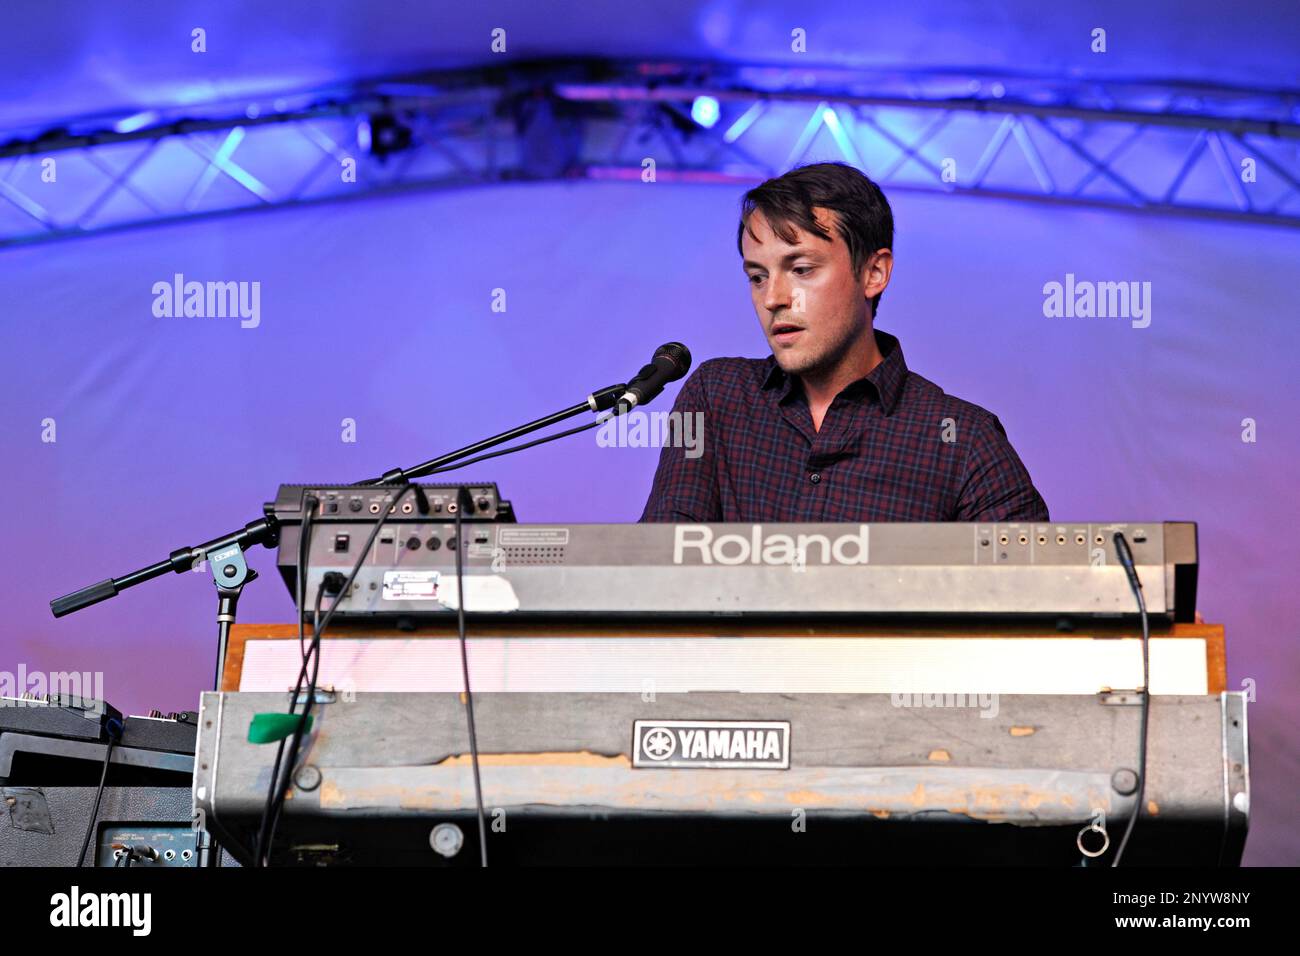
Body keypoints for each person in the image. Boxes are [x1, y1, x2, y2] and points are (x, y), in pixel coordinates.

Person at [640, 162, 1048, 523]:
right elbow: (658, 574)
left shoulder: (963, 439)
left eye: (800, 269)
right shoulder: (717, 397)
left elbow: (1031, 596)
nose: (773, 299)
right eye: (757, 276)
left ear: (874, 273)